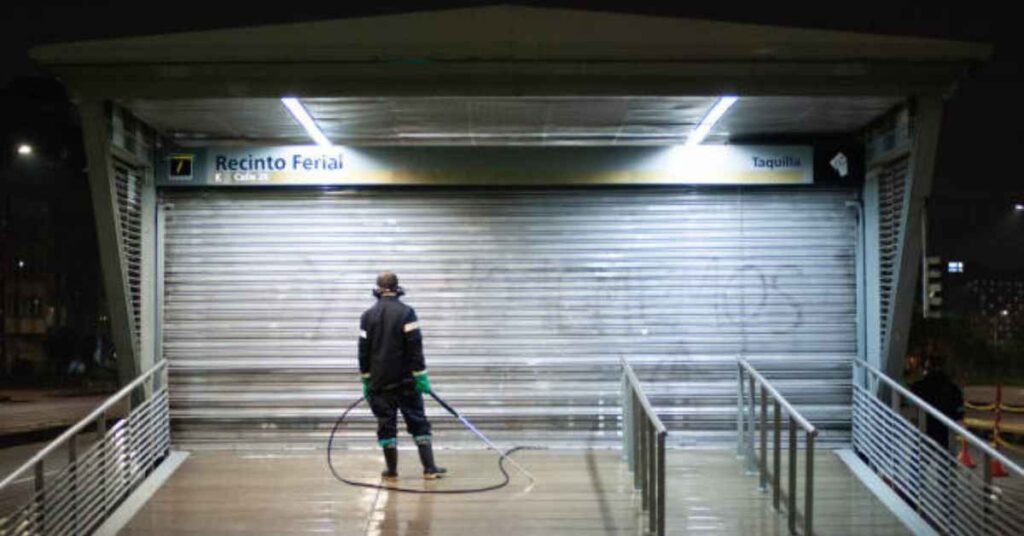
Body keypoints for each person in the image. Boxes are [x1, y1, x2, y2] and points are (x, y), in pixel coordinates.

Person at [359, 271, 446, 480]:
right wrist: (421, 376)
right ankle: (429, 469)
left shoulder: (367, 316)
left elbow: (363, 351)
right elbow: (415, 347)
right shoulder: (407, 313)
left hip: (380, 384)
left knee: (386, 424)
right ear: (397, 287)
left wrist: (366, 378)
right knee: (418, 421)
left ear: (378, 288)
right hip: (407, 382)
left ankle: (391, 471)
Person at [910, 352, 964, 451]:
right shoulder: (952, 388)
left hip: (926, 426)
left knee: (919, 459)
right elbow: (959, 411)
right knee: (945, 459)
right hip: (945, 429)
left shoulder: (922, 385)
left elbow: (910, 396)